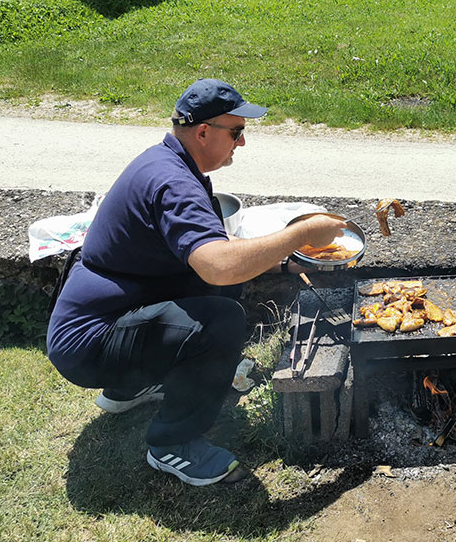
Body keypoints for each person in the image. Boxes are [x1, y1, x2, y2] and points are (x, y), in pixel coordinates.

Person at [46, 78, 345, 486]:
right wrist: (302, 233)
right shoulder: (174, 183)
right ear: (203, 132)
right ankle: (174, 444)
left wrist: (283, 264)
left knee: (223, 283)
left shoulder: (172, 163)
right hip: (89, 341)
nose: (242, 143)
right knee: (221, 318)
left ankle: (130, 387)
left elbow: (216, 250)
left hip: (117, 312)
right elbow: (219, 265)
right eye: (236, 132)